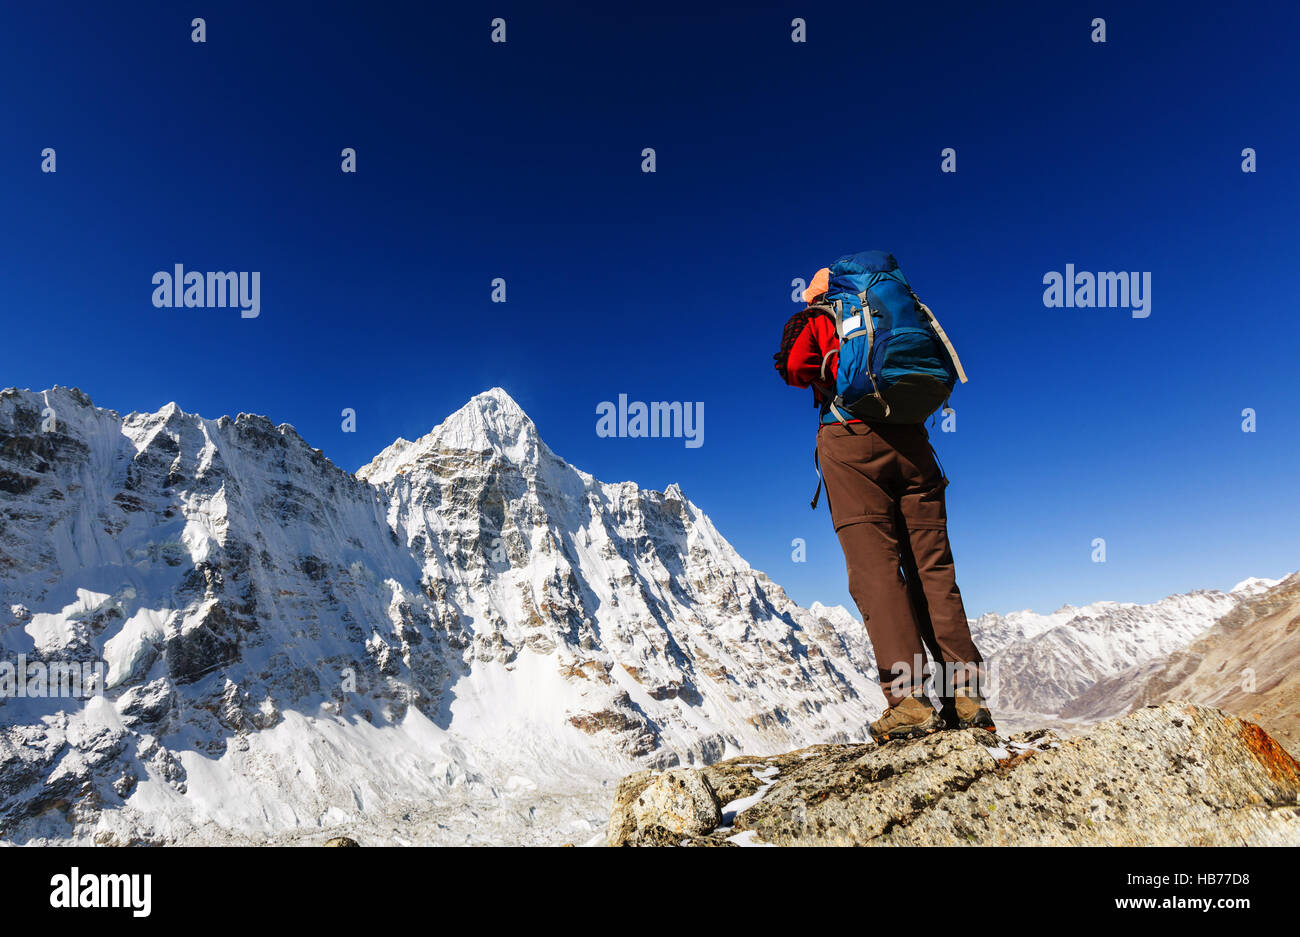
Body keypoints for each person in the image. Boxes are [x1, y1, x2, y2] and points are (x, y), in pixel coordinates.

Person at [774, 266, 994, 743]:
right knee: (933, 569)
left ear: (819, 293)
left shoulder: (820, 315)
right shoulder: (896, 309)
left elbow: (793, 369)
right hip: (915, 445)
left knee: (876, 570)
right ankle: (968, 696)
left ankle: (910, 701)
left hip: (851, 441)